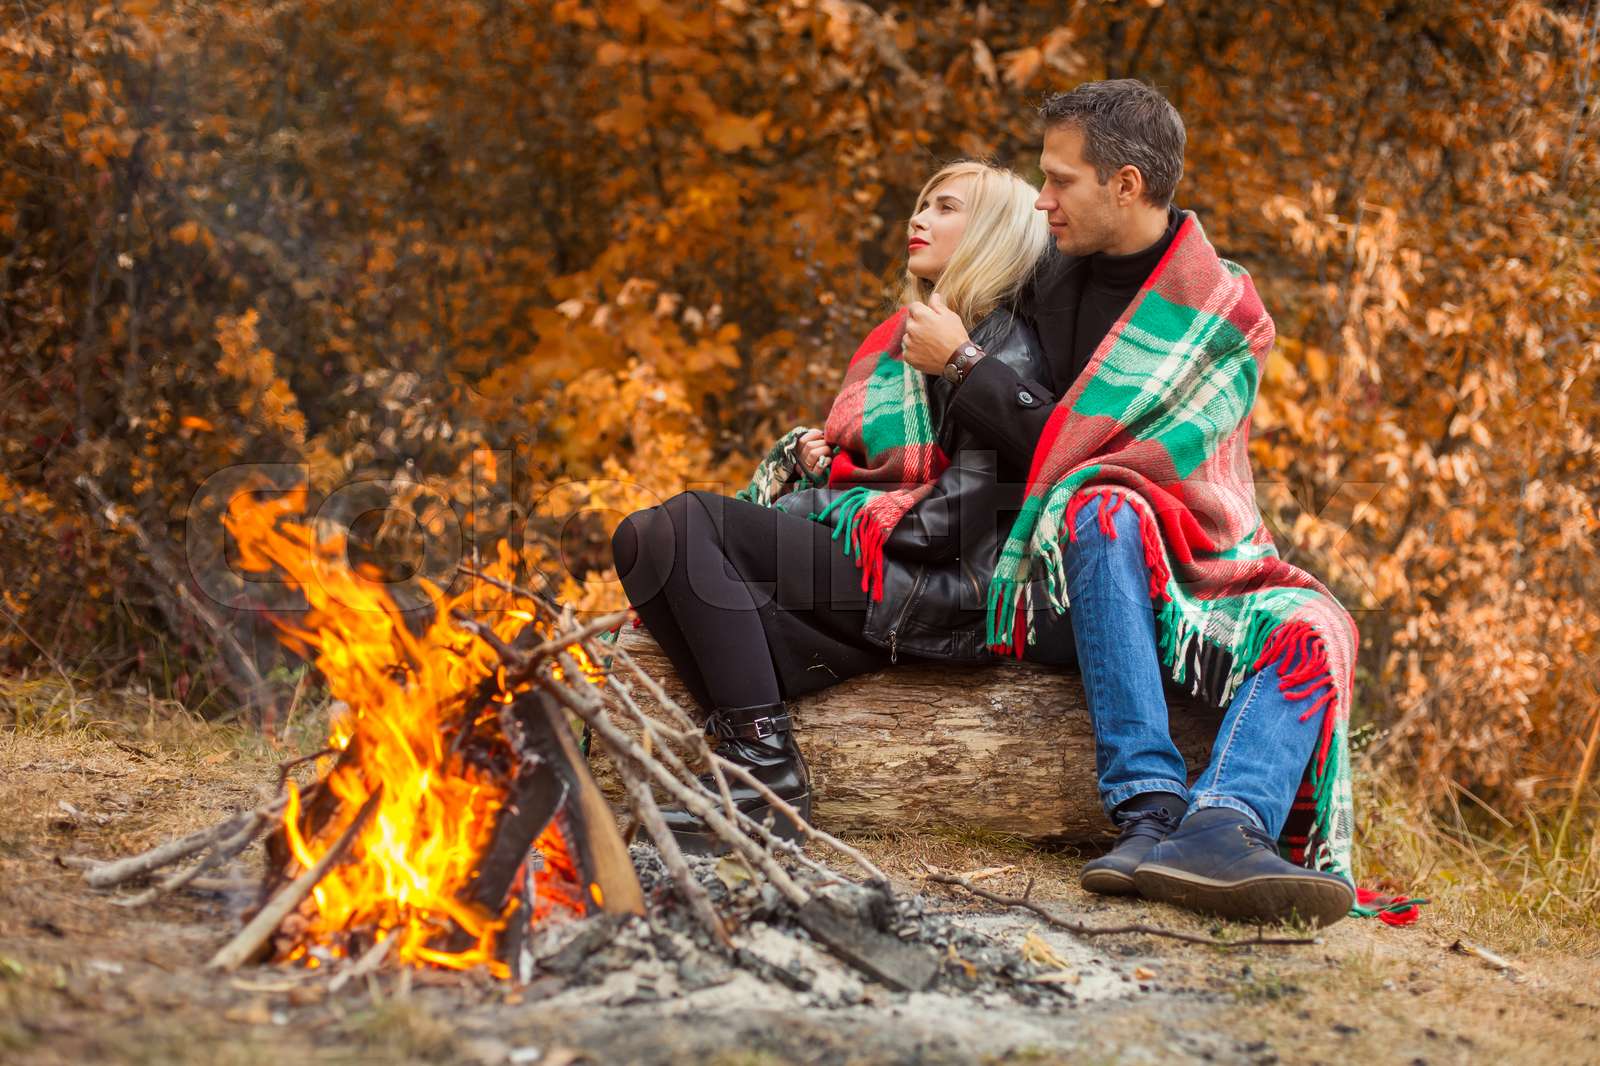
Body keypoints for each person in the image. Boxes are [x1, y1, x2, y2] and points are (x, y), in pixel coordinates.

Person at [901, 80, 1364, 928]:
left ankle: (1225, 823)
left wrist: (971, 369)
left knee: (1319, 622)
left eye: (1061, 180)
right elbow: (1048, 453)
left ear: (1126, 184)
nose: (1042, 200)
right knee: (1100, 503)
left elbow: (1129, 454)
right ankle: (1149, 807)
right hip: (1055, 569)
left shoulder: (1223, 311)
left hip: (1197, 559)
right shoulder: (1037, 285)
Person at [610, 160, 1052, 854]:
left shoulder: (1002, 347)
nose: (919, 219)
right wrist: (826, 481)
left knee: (692, 519)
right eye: (921, 203)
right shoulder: (899, 348)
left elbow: (953, 523)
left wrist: (815, 508)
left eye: (945, 207)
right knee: (642, 538)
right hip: (878, 567)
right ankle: (746, 746)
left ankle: (771, 783)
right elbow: (877, 483)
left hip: (940, 589)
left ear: (994, 232)